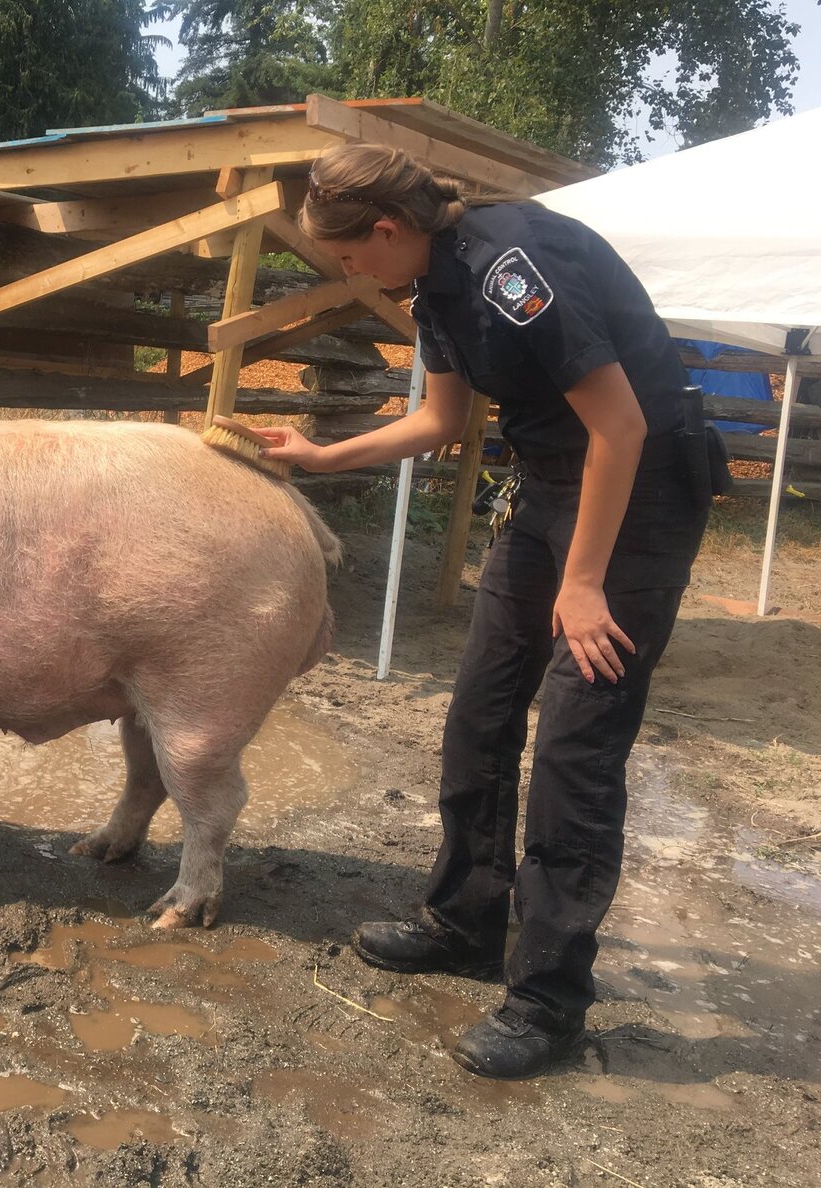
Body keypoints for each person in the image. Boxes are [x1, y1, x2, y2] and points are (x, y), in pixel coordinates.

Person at [246, 144, 722, 1079]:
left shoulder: (512, 268)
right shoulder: (433, 289)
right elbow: (441, 423)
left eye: (350, 257)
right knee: (479, 714)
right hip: (551, 488)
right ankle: (463, 919)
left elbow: (620, 428)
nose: (352, 275)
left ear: (388, 229)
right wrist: (317, 453)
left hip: (639, 494)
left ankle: (549, 1002)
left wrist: (583, 586)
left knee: (575, 753)